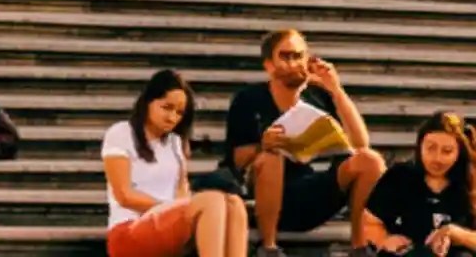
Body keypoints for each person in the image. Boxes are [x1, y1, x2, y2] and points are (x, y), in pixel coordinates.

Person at [223, 28, 386, 257]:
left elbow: (360, 144)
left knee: (371, 161)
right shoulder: (249, 99)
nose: (293, 63)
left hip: (311, 190)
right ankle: (268, 248)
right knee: (272, 156)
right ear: (269, 65)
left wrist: (336, 90)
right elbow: (236, 159)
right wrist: (263, 145)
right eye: (285, 56)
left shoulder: (317, 97)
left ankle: (359, 247)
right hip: (265, 195)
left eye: (299, 56)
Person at [102, 69, 247, 257]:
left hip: (168, 223)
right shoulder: (121, 133)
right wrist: (167, 207)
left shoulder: (175, 143)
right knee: (212, 200)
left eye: (179, 112)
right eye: (166, 107)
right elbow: (124, 195)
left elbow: (181, 193)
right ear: (148, 102)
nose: (172, 117)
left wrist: (176, 208)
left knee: (233, 203)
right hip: (129, 229)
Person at [365, 111, 476, 256]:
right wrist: (384, 240)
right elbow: (369, 222)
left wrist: (456, 234)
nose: (437, 158)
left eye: (447, 151)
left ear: (459, 152)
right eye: (430, 148)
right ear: (420, 146)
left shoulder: (470, 183)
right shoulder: (400, 176)